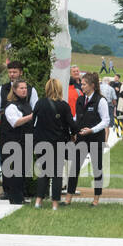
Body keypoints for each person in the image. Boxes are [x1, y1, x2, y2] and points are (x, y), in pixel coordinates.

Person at [67, 72, 110, 207]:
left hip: (95, 138)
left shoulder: (100, 100)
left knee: (97, 168)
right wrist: (71, 130)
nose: (82, 86)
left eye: (84, 84)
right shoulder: (80, 100)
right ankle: (69, 197)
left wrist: (92, 130)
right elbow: (76, 118)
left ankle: (96, 198)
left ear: (92, 85)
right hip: (81, 139)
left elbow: (106, 121)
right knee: (75, 167)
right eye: (82, 84)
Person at [33, 77, 75, 210]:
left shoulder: (40, 103)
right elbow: (71, 125)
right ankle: (55, 204)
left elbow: (33, 122)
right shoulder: (63, 106)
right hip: (58, 143)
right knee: (57, 174)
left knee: (43, 172)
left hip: (41, 142)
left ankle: (38, 201)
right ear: (60, 89)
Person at [0, 80, 35, 206]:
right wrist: (31, 116)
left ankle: (20, 196)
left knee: (24, 170)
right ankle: (15, 197)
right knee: (16, 171)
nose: (24, 90)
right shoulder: (11, 106)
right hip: (14, 141)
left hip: (27, 140)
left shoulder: (26, 105)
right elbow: (15, 122)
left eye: (25, 88)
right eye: (21, 88)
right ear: (14, 90)